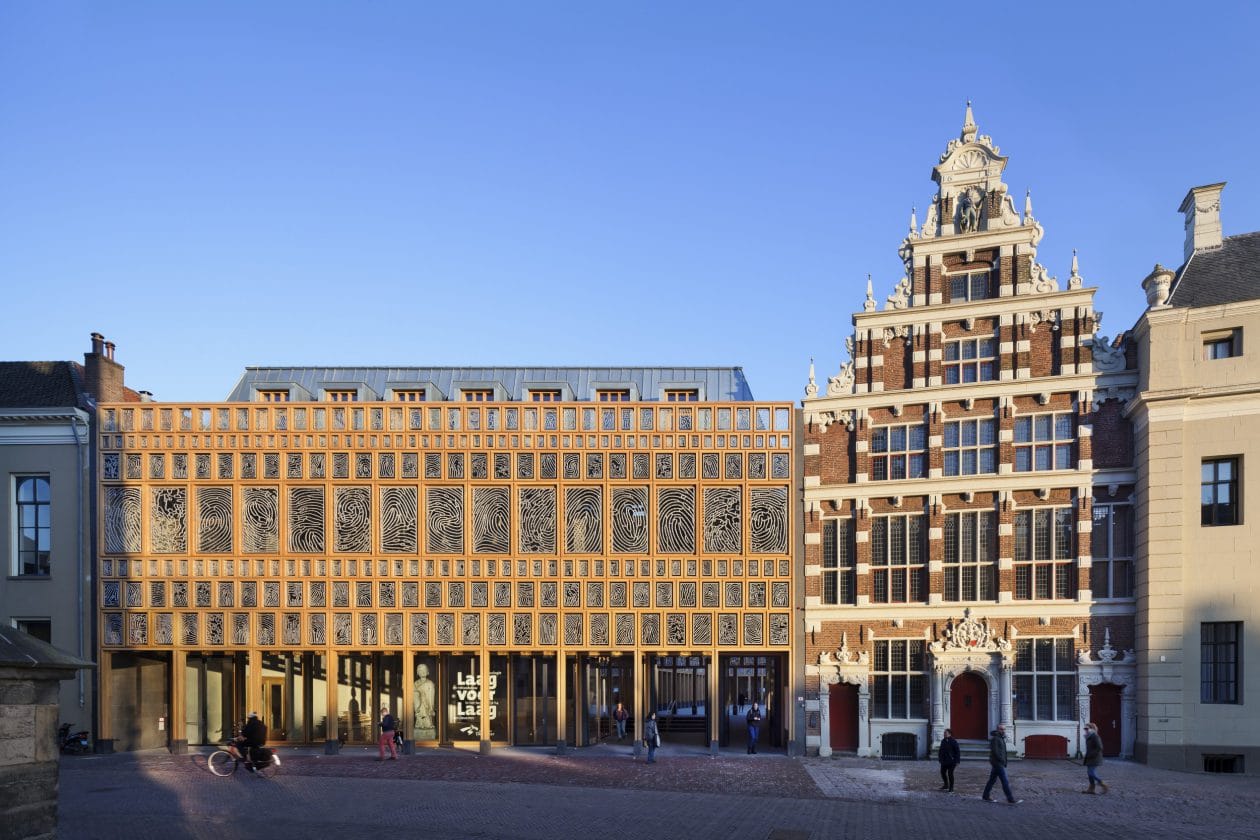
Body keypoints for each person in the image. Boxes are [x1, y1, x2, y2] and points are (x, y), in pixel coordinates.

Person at [981, 724, 1021, 804]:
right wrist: (1002, 760)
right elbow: (995, 751)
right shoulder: (996, 739)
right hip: (998, 763)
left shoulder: (1000, 738)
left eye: (1004, 729)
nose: (1003, 731)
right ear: (998, 730)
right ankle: (1010, 799)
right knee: (1005, 781)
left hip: (998, 763)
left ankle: (985, 795)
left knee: (991, 781)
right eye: (1001, 729)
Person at [1083, 722, 1109, 794]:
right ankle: (1091, 788)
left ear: (1092, 729)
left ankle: (1103, 784)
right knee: (1089, 773)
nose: (1085, 730)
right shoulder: (1088, 736)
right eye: (1085, 728)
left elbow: (1100, 747)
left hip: (1095, 757)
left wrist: (1091, 754)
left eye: (1087, 728)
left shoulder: (1095, 736)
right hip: (1090, 757)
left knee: (1091, 773)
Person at [413, 662, 436, 740]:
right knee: (419, 718)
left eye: (424, 670)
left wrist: (431, 707)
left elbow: (431, 696)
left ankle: (428, 725)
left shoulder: (430, 683)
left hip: (427, 704)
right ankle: (420, 725)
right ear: (417, 672)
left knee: (427, 719)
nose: (422, 672)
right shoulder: (415, 683)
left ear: (427, 672)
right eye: (420, 670)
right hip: (419, 704)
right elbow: (414, 695)